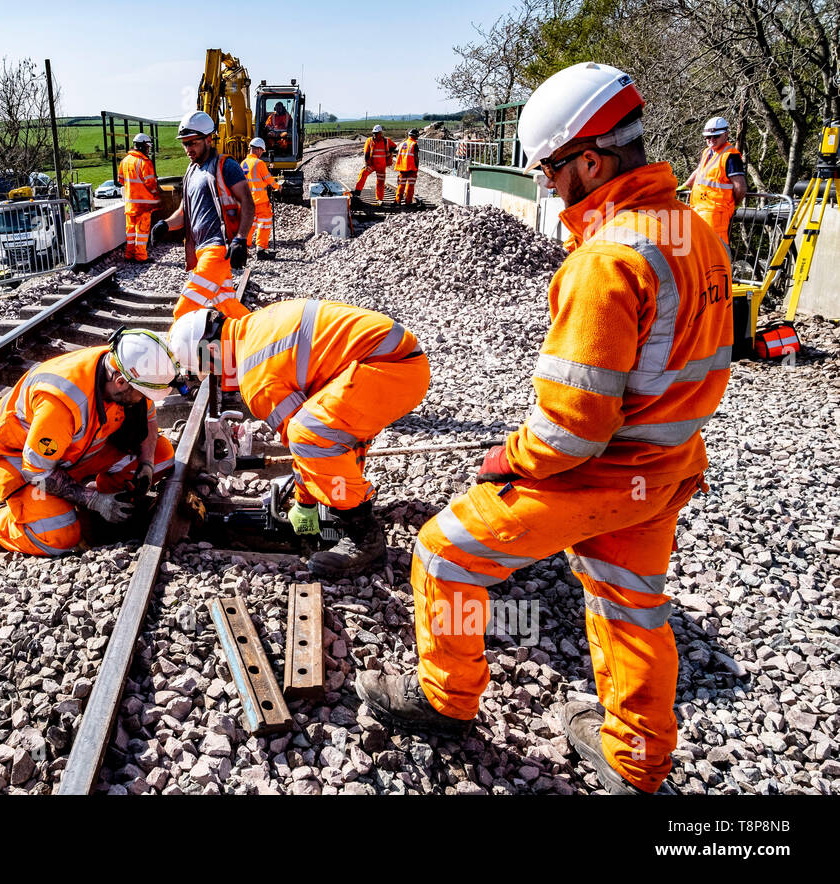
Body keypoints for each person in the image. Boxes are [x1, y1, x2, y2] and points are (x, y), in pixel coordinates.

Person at [353, 62, 734, 796]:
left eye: (553, 169)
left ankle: (444, 700)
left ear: (591, 158)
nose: (549, 185)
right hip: (668, 461)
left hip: (599, 473)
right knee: (631, 605)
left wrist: (510, 456)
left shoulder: (607, 259)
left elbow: (570, 431)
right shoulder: (694, 230)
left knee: (440, 555)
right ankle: (635, 760)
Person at [168, 300, 430, 577]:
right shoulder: (256, 325)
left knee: (309, 434)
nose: (215, 374)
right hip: (395, 359)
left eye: (207, 366)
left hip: (390, 368)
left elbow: (303, 443)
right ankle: (345, 494)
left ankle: (364, 537)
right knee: (328, 427)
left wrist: (304, 503)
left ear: (211, 350)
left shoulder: (256, 376)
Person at [0, 330, 180, 556]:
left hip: (73, 454)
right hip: (23, 463)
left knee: (162, 456)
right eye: (143, 394)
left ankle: (99, 514)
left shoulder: (120, 367)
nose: (145, 399)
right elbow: (38, 473)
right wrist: (96, 501)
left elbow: (148, 418)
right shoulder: (60, 404)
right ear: (121, 382)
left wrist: (147, 464)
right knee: (57, 536)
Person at [152, 111, 254, 320]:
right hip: (200, 251)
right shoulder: (191, 171)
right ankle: (261, 337)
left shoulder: (226, 166)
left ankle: (175, 353)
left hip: (216, 250)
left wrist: (240, 239)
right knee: (228, 307)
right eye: (184, 144)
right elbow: (184, 213)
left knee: (183, 310)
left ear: (209, 138)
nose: (188, 149)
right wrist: (164, 224)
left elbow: (248, 203)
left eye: (192, 143)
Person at [683, 116, 747, 244]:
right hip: (699, 210)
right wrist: (684, 186)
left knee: (715, 250)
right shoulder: (707, 152)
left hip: (716, 214)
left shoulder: (730, 155)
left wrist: (735, 204)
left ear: (725, 134)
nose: (711, 140)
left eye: (715, 136)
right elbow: (699, 171)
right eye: (708, 137)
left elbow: (740, 187)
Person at [116, 132, 161, 262]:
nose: (148, 150)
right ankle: (141, 257)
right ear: (142, 147)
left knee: (130, 231)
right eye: (147, 147)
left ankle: (129, 255)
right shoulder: (144, 162)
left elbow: (121, 180)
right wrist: (156, 194)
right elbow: (151, 184)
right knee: (141, 232)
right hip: (143, 205)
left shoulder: (124, 161)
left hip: (130, 204)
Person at [242, 137, 282, 259]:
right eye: (261, 151)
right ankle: (261, 250)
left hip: (248, 202)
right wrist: (277, 186)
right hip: (260, 201)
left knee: (250, 225)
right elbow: (268, 179)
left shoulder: (243, 163)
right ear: (258, 150)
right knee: (264, 224)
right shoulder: (259, 163)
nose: (261, 154)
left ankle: (244, 250)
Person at [353, 125, 395, 202]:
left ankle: (379, 199)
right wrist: (366, 164)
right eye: (374, 133)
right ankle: (357, 192)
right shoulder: (369, 141)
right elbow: (366, 153)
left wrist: (389, 152)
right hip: (372, 164)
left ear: (381, 133)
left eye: (376, 133)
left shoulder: (386, 141)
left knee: (380, 182)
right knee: (363, 173)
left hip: (381, 166)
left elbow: (394, 147)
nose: (375, 135)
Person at [394, 128, 420, 205]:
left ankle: (398, 200)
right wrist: (417, 167)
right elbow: (416, 157)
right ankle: (408, 202)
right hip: (411, 168)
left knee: (401, 185)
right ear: (415, 136)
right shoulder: (414, 144)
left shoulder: (402, 144)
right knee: (410, 185)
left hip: (402, 168)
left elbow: (398, 155)